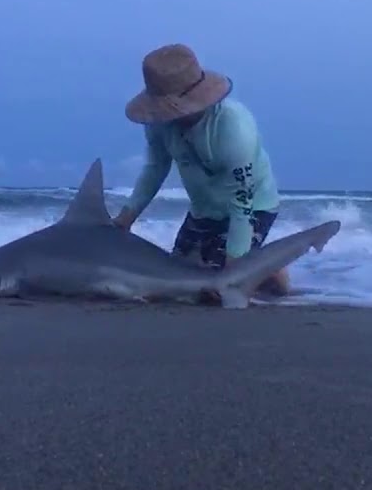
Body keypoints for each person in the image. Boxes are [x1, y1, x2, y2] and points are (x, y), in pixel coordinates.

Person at [114, 43, 291, 300]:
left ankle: (268, 269)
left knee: (213, 292)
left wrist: (235, 268)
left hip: (252, 205)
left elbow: (242, 205)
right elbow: (155, 168)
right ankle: (253, 261)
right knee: (172, 285)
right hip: (204, 209)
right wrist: (125, 218)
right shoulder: (159, 123)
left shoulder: (233, 129)